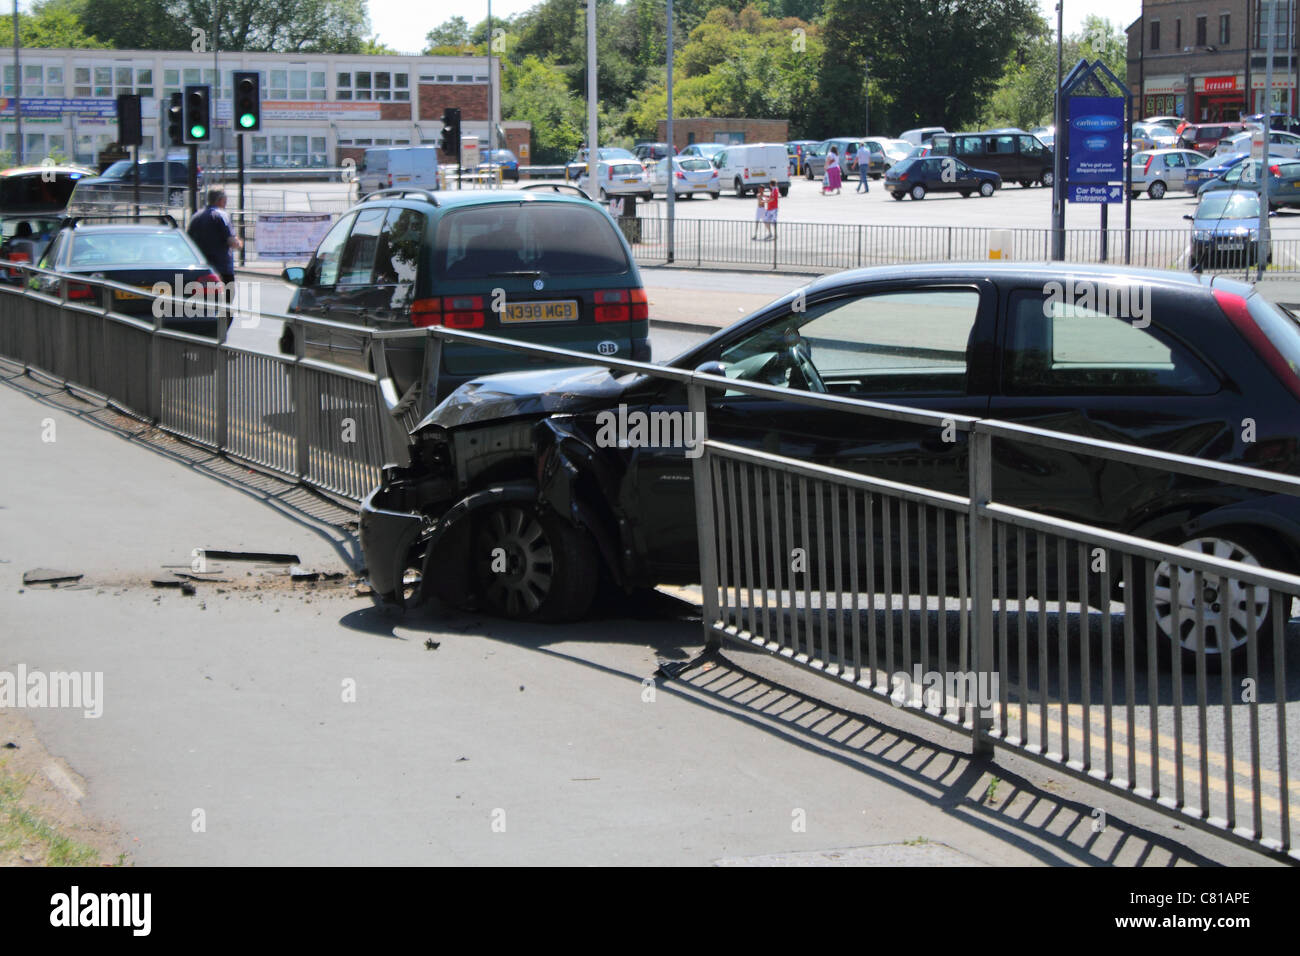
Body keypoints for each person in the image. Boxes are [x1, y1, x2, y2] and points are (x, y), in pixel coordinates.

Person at [187, 187, 242, 306]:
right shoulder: (221, 215)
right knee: (226, 304)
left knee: (204, 305)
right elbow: (232, 241)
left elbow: (188, 241)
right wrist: (238, 243)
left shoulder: (196, 216)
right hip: (222, 268)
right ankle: (222, 324)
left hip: (202, 269)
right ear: (221, 199)